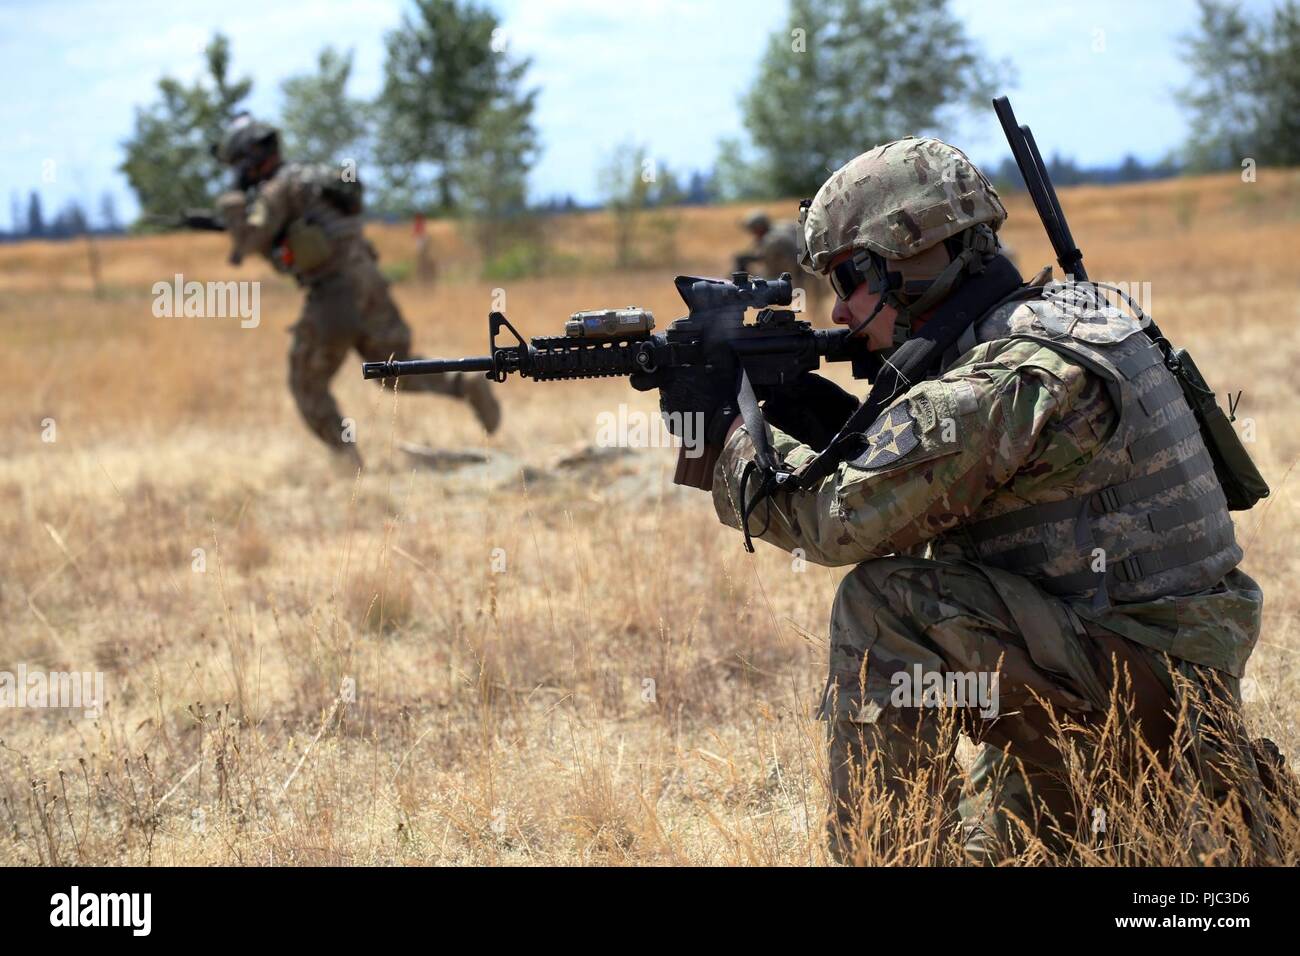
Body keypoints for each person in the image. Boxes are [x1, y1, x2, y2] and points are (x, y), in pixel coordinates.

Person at [642, 136, 1282, 863]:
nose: (842, 312)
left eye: (850, 278)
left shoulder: (997, 381)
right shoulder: (1072, 314)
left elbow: (838, 523)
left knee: (882, 605)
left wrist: (726, 437)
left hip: (1140, 692)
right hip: (1155, 672)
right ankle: (1185, 811)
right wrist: (806, 407)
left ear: (911, 262)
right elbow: (927, 476)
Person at [213, 114, 499, 469]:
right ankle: (463, 382)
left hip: (335, 294)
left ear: (252, 158)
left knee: (306, 383)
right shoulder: (313, 178)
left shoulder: (278, 189)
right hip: (370, 282)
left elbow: (250, 241)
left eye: (240, 163)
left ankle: (349, 462)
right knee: (394, 370)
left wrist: (233, 209)